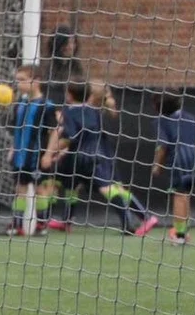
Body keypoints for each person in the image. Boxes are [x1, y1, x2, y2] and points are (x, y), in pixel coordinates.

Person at [42, 82, 159, 237]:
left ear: (69, 94)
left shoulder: (71, 112)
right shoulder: (94, 111)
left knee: (108, 189)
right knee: (71, 184)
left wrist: (51, 152)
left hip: (87, 157)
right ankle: (66, 221)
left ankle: (144, 217)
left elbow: (71, 137)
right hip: (93, 155)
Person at [3, 65, 60, 237]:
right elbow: (17, 129)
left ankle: (42, 225)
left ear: (36, 81)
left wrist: (49, 154)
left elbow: (55, 131)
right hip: (21, 156)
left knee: (40, 190)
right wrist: (13, 148)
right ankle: (17, 224)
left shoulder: (47, 106)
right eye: (17, 80)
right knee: (19, 189)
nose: (18, 84)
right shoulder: (20, 104)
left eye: (22, 80)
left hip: (37, 156)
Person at [152, 94, 195, 246]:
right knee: (186, 196)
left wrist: (158, 165)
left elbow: (162, 146)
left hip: (178, 160)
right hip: (193, 161)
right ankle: (185, 232)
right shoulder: (191, 117)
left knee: (178, 196)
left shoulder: (162, 120)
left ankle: (179, 235)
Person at [41, 25, 84, 117]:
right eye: (68, 43)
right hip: (52, 110)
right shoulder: (48, 66)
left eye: (73, 43)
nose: (71, 47)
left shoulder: (76, 66)